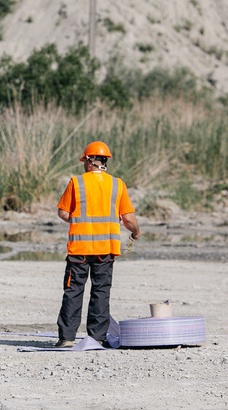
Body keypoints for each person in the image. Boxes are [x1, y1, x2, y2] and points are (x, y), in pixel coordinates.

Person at [54, 141, 141, 348]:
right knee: (101, 292)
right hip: (105, 250)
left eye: (84, 160)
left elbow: (63, 213)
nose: (84, 164)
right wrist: (136, 232)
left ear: (90, 160)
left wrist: (79, 220)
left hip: (79, 250)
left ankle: (67, 338)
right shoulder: (117, 184)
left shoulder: (76, 183)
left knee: (73, 291)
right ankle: (97, 338)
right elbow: (128, 219)